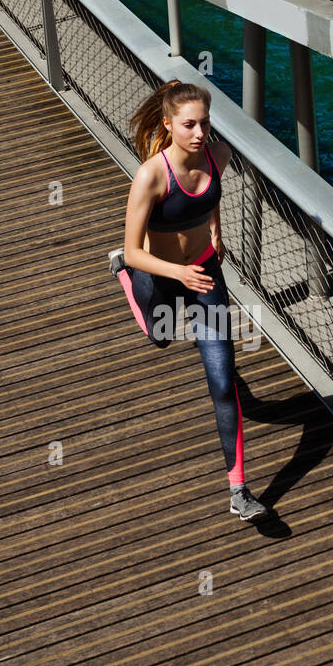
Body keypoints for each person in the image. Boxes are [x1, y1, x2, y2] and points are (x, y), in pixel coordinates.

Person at [106, 80, 268, 521]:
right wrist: (172, 271)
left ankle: (238, 490)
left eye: (205, 123)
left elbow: (210, 195)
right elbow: (136, 245)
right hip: (158, 272)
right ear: (168, 124)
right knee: (159, 337)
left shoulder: (219, 156)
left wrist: (215, 230)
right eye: (189, 125)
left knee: (223, 380)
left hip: (204, 272)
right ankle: (121, 275)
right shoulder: (151, 176)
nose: (200, 133)